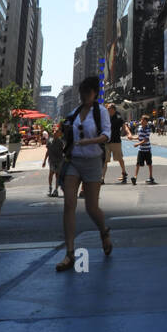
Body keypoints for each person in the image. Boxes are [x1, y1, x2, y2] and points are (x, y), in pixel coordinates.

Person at [56, 76, 111, 272]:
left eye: (87, 92)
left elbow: (106, 135)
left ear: (95, 93)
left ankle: (104, 231)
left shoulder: (101, 112)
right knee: (69, 203)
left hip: (93, 162)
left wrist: (90, 141)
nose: (84, 96)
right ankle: (69, 253)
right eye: (82, 92)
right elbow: (65, 132)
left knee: (91, 207)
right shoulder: (74, 112)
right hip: (74, 161)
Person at [102, 102, 128, 185]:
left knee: (119, 158)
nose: (107, 109)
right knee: (105, 160)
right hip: (106, 142)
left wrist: (125, 133)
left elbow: (124, 126)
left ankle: (124, 173)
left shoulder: (118, 116)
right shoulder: (105, 117)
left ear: (113, 109)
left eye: (108, 108)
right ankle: (102, 178)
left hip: (116, 141)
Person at [129, 115, 156, 185]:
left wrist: (137, 144)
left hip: (147, 149)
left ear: (146, 122)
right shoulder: (139, 128)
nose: (141, 121)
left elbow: (146, 139)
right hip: (141, 150)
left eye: (143, 120)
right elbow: (139, 137)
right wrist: (132, 138)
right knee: (138, 163)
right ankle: (135, 177)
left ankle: (151, 177)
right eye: (141, 120)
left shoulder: (148, 129)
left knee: (149, 164)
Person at [43, 124, 64, 196]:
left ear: (59, 134)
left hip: (59, 160)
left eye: (57, 131)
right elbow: (48, 151)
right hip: (52, 160)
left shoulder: (61, 142)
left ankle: (56, 190)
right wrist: (44, 161)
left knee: (57, 175)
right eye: (54, 131)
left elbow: (63, 151)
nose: (55, 132)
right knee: (51, 174)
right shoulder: (50, 141)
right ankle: (50, 188)